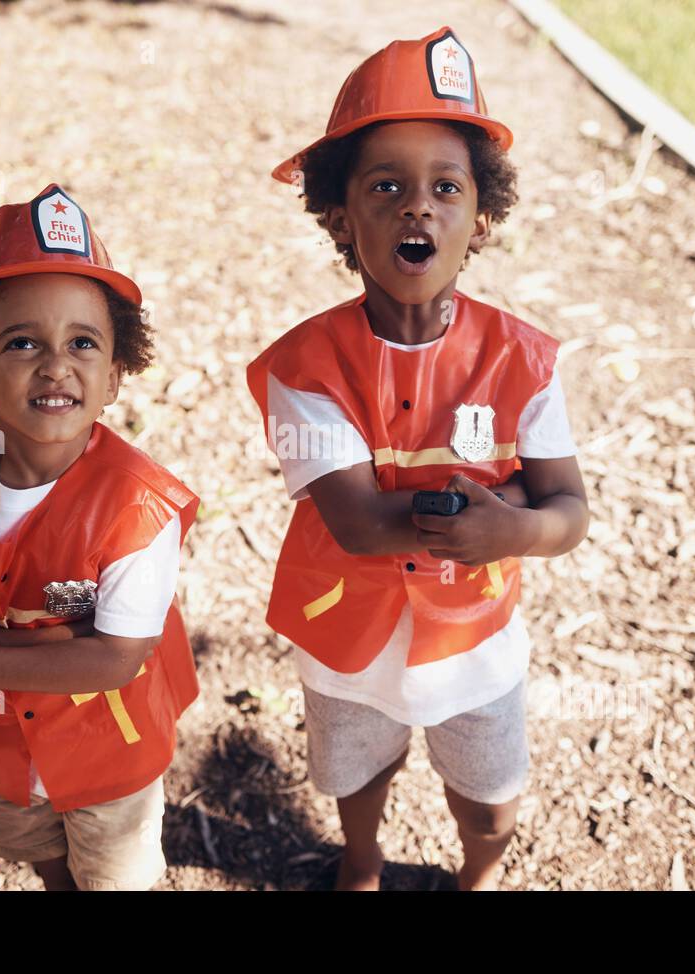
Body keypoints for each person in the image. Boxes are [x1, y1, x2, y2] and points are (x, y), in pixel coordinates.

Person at [247, 27, 591, 890]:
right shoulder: (303, 366)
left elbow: (568, 512)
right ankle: (360, 865)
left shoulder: (524, 360)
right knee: (358, 771)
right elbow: (358, 522)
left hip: (476, 640)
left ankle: (476, 875)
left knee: (488, 798)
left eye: (446, 187)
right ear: (340, 215)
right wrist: (487, 506)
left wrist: (514, 525)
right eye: (386, 187)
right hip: (345, 639)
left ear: (480, 219)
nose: (417, 207)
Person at [0, 183, 199, 891]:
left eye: (83, 342)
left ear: (117, 374)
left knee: (114, 875)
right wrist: (68, 646)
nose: (56, 364)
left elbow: (116, 660)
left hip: (111, 749)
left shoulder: (136, 503)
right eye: (23, 341)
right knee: (41, 854)